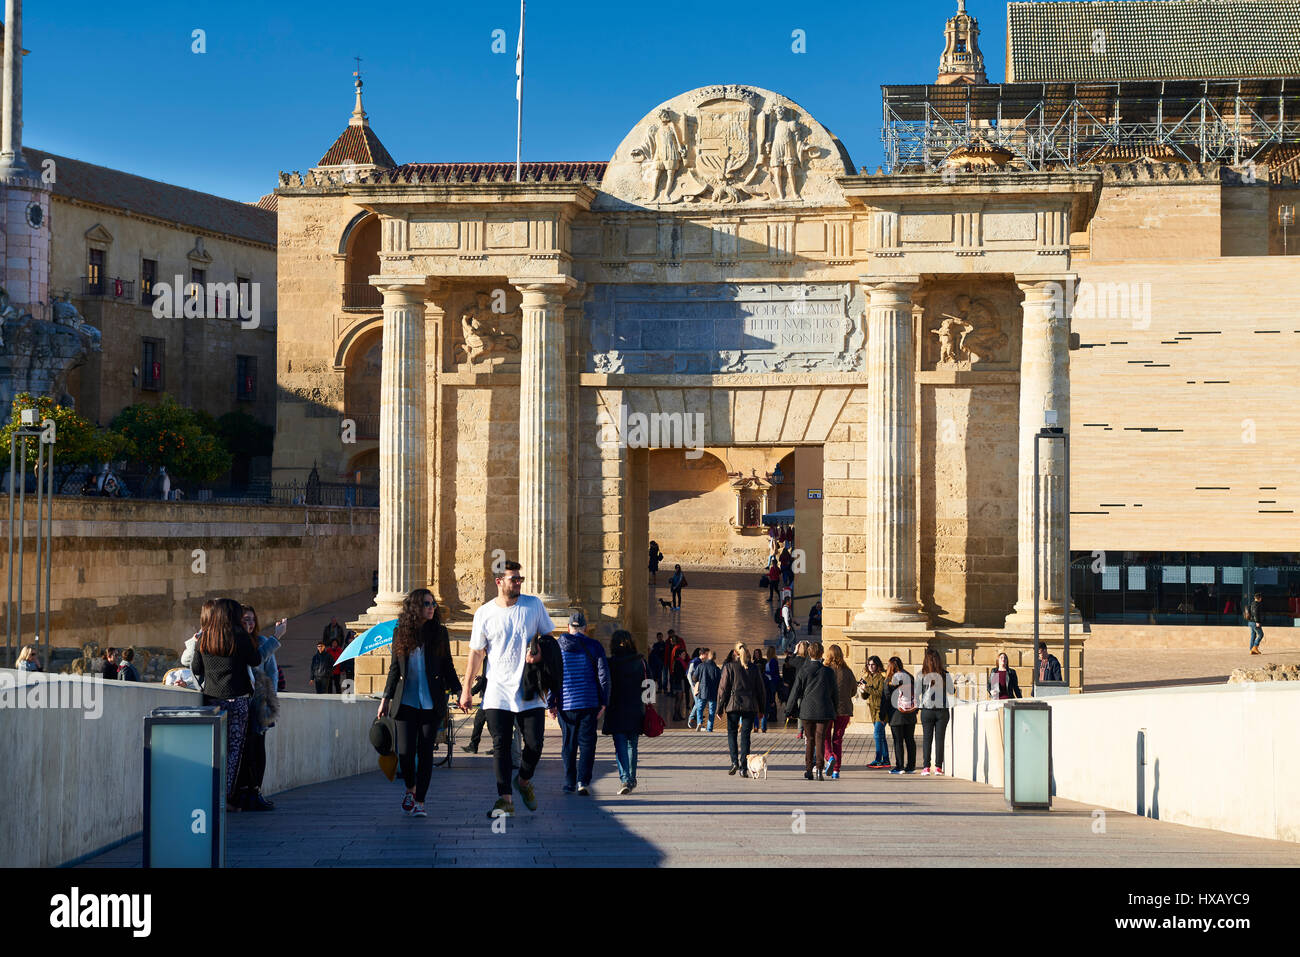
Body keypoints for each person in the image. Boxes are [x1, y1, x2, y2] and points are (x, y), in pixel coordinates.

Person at [459, 560, 558, 819]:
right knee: (501, 745)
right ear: (499, 582)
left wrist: (539, 655)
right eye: (513, 579)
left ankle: (523, 782)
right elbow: (476, 654)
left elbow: (549, 639)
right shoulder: (484, 613)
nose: (518, 583)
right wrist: (466, 689)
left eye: (520, 579)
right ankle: (505, 800)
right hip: (497, 691)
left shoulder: (533, 605)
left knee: (535, 744)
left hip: (528, 689)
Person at [377, 589, 462, 818]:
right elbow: (395, 669)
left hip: (430, 703)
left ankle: (421, 802)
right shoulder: (400, 633)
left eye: (433, 603)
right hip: (405, 702)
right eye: (427, 604)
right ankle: (410, 789)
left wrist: (459, 690)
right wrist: (385, 699)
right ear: (415, 607)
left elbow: (448, 666)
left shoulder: (440, 633)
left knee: (426, 753)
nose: (432, 607)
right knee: (405, 752)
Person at [190, 598, 262, 810]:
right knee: (233, 751)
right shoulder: (239, 636)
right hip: (238, 699)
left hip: (212, 699)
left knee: (213, 749)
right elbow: (256, 659)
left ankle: (209, 793)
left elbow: (196, 667)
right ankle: (224, 797)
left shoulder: (203, 638)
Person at [236, 604, 286, 811]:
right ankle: (242, 792)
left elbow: (271, 671)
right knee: (243, 751)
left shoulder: (261, 642)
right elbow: (253, 661)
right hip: (241, 703)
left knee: (258, 749)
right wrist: (277, 638)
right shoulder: (237, 643)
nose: (249, 623)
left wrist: (268, 698)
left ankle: (256, 791)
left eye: (252, 620)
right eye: (245, 620)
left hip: (259, 704)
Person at [556, 610, 610, 796]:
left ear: (568, 627)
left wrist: (550, 703)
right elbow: (603, 675)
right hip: (589, 701)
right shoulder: (595, 646)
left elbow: (552, 676)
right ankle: (583, 782)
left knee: (568, 744)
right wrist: (604, 701)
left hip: (566, 703)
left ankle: (568, 782)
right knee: (587, 744)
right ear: (586, 628)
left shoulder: (558, 646)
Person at [603, 629, 646, 794]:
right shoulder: (641, 662)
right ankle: (631, 779)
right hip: (636, 709)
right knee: (632, 745)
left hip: (617, 709)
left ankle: (625, 779)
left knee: (620, 745)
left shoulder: (610, 663)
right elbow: (650, 683)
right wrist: (648, 705)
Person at [786, 641, 837, 781]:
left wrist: (788, 710)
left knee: (810, 740)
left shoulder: (803, 670)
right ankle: (819, 769)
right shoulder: (828, 671)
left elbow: (795, 691)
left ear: (809, 653)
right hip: (824, 710)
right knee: (820, 739)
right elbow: (835, 693)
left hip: (807, 711)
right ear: (821, 654)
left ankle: (809, 769)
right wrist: (835, 710)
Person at [717, 641, 766, 776]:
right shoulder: (754, 668)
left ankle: (734, 761)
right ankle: (744, 767)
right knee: (746, 736)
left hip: (733, 704)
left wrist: (719, 708)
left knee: (732, 733)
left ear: (735, 653)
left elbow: (723, 689)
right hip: (749, 705)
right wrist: (762, 709)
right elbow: (761, 690)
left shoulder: (729, 667)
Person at [824, 644, 856, 779]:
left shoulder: (825, 670)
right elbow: (854, 691)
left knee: (824, 737)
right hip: (844, 709)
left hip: (827, 709)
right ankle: (836, 771)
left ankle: (830, 757)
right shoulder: (847, 671)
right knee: (838, 739)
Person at [918, 649, 952, 776]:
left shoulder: (921, 675)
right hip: (942, 710)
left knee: (927, 739)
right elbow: (951, 691)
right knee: (940, 739)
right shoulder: (945, 674)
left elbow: (917, 692)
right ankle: (938, 767)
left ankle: (926, 767)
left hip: (927, 710)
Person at [885, 656, 918, 774]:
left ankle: (899, 767)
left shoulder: (889, 679)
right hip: (910, 713)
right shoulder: (910, 677)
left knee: (898, 741)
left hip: (896, 714)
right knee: (910, 740)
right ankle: (911, 766)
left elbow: (886, 698)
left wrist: (884, 715)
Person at [858, 656, 891, 769]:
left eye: (873, 664)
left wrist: (866, 688)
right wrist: (862, 690)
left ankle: (878, 759)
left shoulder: (882, 677)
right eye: (868, 665)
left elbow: (880, 692)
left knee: (877, 734)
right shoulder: (869, 677)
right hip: (873, 709)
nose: (870, 667)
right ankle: (886, 760)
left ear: (877, 665)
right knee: (881, 735)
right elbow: (866, 696)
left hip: (882, 710)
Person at [691, 648, 721, 731]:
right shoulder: (716, 669)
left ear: (708, 656)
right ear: (714, 658)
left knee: (700, 708)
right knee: (711, 711)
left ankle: (699, 722)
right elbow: (720, 682)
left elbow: (694, 678)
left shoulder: (701, 666)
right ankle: (709, 729)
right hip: (713, 692)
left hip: (702, 691)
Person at [782, 641, 808, 730]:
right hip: (809, 688)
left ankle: (800, 730)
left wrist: (794, 651)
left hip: (800, 689)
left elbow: (788, 660)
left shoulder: (797, 661)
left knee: (801, 710)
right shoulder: (809, 660)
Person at [758, 646, 780, 732]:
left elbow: (774, 672)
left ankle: (773, 716)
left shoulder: (773, 660)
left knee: (772, 698)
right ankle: (771, 715)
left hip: (772, 681)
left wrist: (765, 672)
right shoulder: (769, 660)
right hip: (769, 680)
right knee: (771, 698)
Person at [669, 633, 689, 721]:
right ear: (680, 655)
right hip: (678, 682)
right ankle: (675, 715)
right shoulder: (678, 662)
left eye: (685, 654)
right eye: (683, 654)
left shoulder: (680, 661)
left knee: (680, 700)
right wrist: (684, 674)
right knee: (678, 700)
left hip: (679, 682)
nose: (684, 656)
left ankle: (678, 714)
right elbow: (677, 673)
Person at [686, 648, 703, 728]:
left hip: (696, 685)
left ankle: (692, 719)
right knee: (698, 703)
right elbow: (689, 673)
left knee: (698, 703)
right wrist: (692, 685)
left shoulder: (696, 661)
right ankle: (695, 721)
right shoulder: (696, 661)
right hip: (694, 685)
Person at [1246, 590, 1265, 655]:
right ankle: (1255, 647)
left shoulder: (1252, 603)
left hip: (1250, 622)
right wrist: (1257, 621)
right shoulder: (1257, 604)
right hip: (1254, 622)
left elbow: (1249, 611)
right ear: (1260, 598)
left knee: (1253, 635)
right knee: (1261, 635)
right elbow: (1255, 613)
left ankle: (1251, 650)